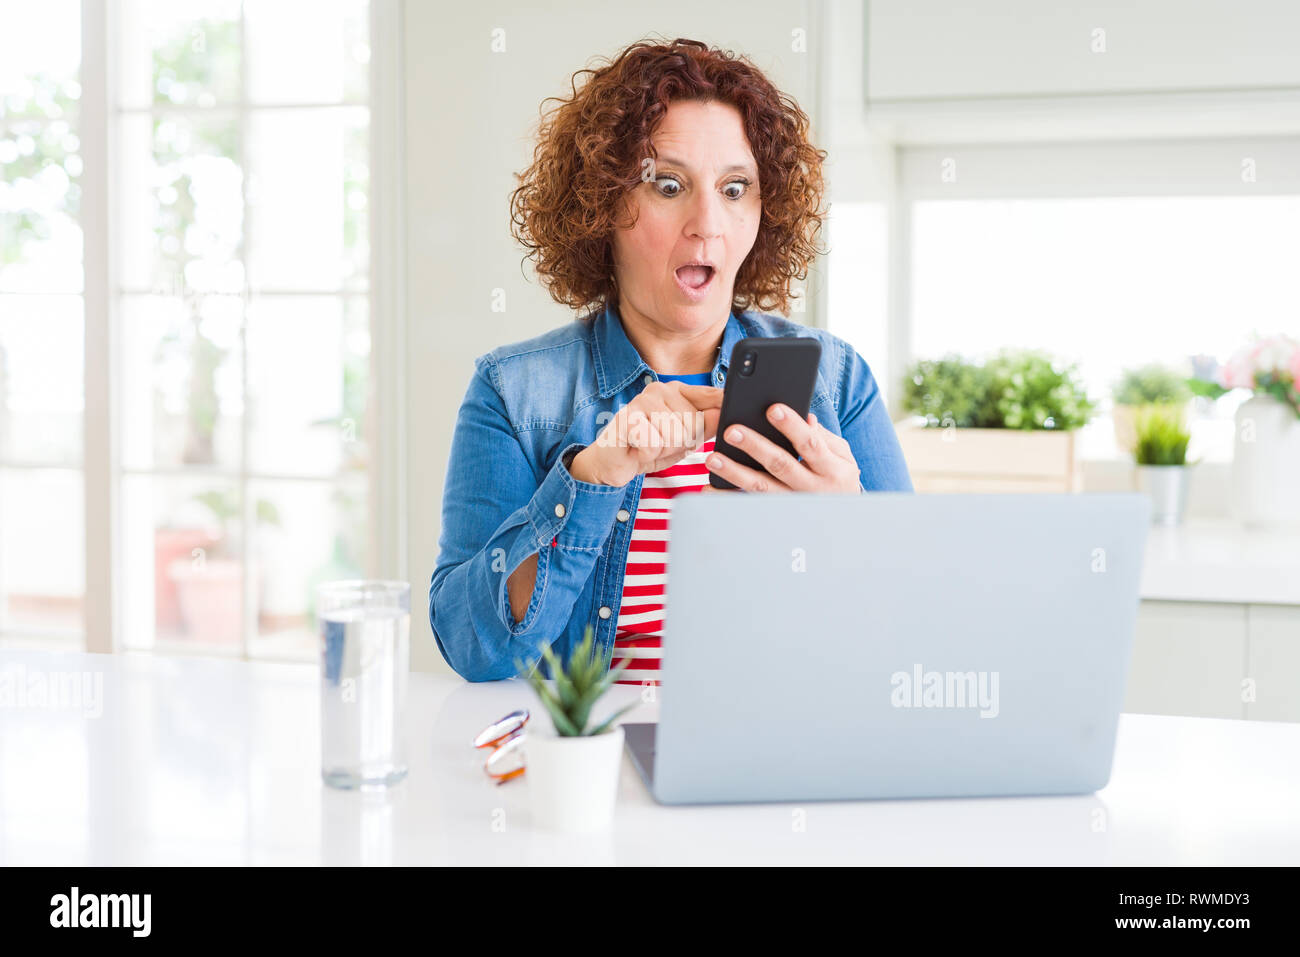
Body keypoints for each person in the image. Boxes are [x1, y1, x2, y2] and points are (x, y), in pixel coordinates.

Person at [430, 38, 912, 683]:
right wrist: (593, 477)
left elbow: (911, 629)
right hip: (596, 767)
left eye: (736, 188)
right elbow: (475, 650)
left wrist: (845, 524)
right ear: (601, 206)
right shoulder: (516, 391)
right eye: (668, 185)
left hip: (774, 753)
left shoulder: (836, 379)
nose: (708, 222)